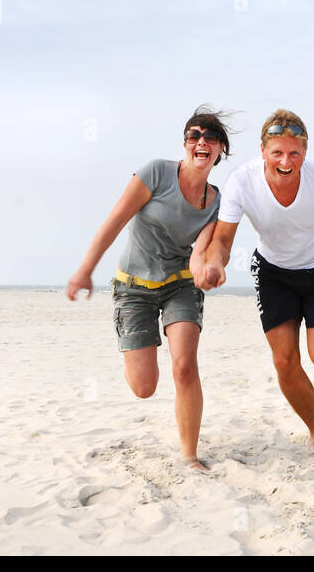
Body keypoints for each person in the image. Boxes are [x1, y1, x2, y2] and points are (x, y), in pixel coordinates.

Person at [198, 110, 314, 448]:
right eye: (277, 153)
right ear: (263, 151)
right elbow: (223, 240)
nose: (286, 161)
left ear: (304, 152)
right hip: (274, 274)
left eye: (294, 153)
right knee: (285, 360)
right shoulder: (242, 181)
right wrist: (216, 263)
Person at [66, 106, 233, 471]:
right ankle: (132, 343)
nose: (201, 141)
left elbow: (200, 255)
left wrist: (208, 271)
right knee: (144, 387)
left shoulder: (217, 201)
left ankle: (189, 455)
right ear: (186, 143)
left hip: (180, 286)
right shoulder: (156, 172)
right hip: (133, 288)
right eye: (194, 135)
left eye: (210, 137)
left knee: (185, 366)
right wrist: (85, 270)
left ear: (220, 149)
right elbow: (115, 221)